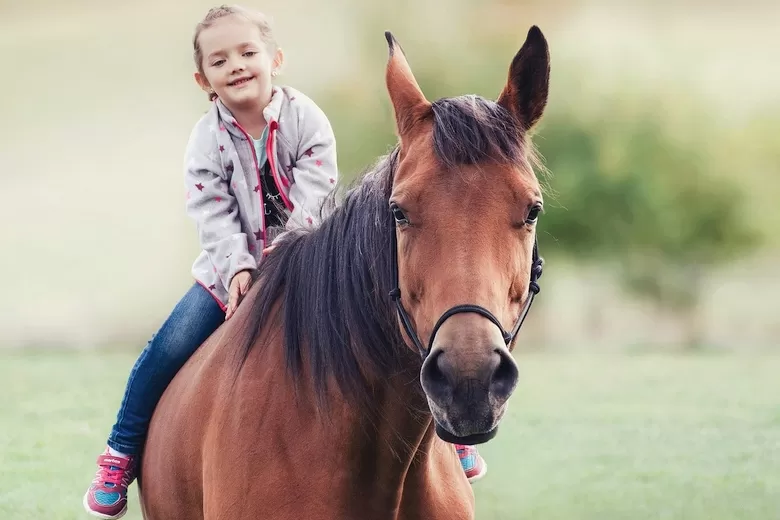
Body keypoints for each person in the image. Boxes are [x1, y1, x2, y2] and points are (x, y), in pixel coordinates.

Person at [83, 5, 339, 518]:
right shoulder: (206, 140)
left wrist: (286, 253)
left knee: (383, 319)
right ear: (205, 80)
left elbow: (317, 187)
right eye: (220, 60)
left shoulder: (306, 118)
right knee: (168, 346)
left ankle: (445, 433)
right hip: (228, 276)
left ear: (276, 59)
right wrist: (239, 268)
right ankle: (121, 451)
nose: (238, 65)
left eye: (248, 52)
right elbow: (211, 209)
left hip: (311, 267)